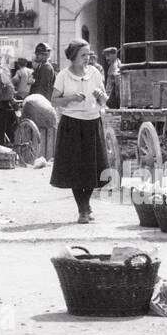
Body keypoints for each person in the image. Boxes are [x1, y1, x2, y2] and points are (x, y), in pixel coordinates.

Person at [49, 40, 109, 224]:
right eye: (83, 55)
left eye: (89, 54)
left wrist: (101, 97)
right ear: (73, 57)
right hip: (72, 125)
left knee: (92, 167)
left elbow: (105, 100)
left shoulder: (95, 73)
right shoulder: (63, 76)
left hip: (92, 122)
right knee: (75, 169)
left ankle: (86, 204)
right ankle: (82, 209)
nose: (87, 58)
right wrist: (71, 98)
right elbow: (54, 101)